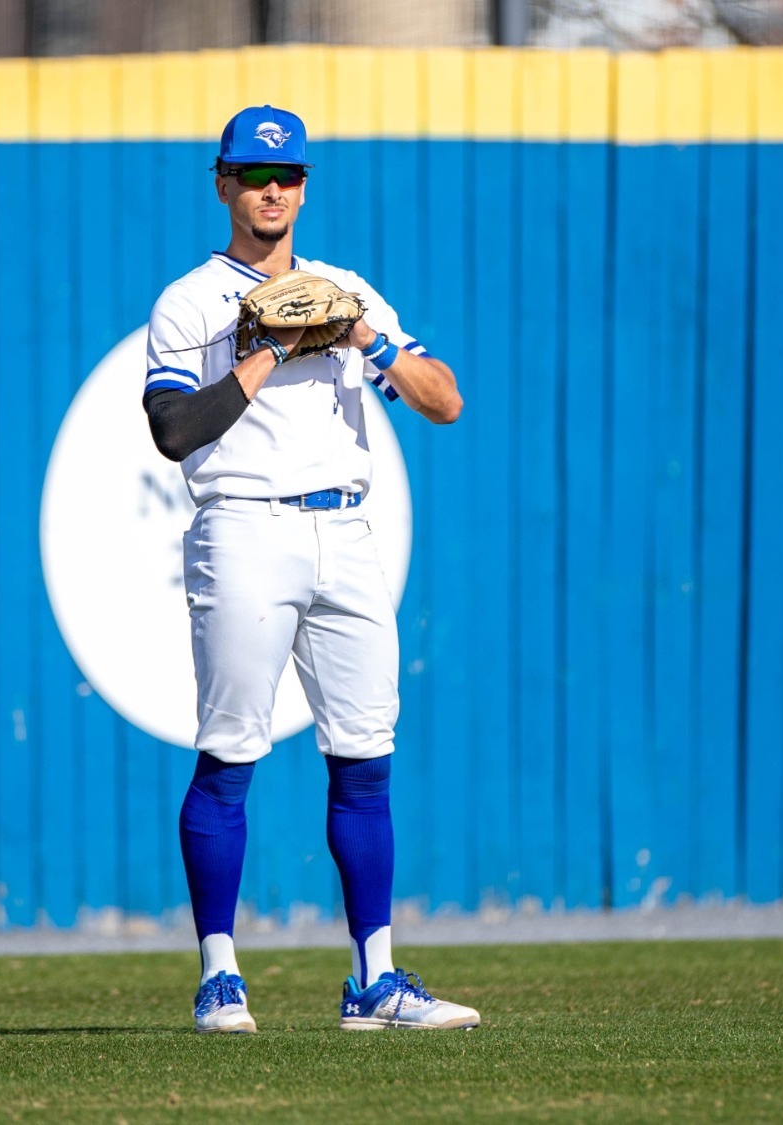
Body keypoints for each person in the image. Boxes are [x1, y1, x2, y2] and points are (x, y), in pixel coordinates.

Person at [141, 105, 477, 1034]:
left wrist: (365, 336)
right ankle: (220, 976)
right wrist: (266, 356)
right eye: (253, 174)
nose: (271, 189)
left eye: (286, 175)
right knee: (232, 754)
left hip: (347, 528)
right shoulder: (192, 301)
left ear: (304, 186)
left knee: (366, 758)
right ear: (224, 185)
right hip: (243, 528)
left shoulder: (344, 289)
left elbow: (444, 401)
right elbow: (173, 432)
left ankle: (373, 978)